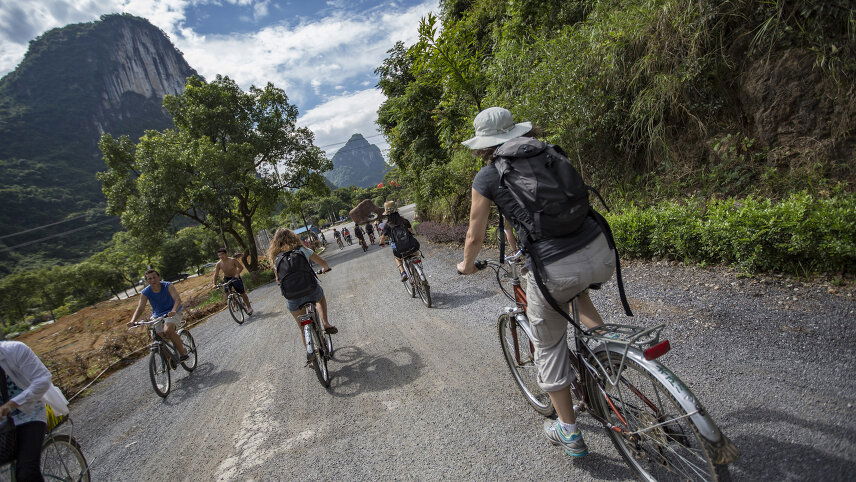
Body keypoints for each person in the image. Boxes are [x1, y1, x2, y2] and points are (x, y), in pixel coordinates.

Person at [456, 107, 618, 458]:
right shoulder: (550, 152)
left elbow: (474, 232)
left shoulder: (488, 176)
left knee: (548, 345)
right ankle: (615, 361)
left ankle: (569, 432)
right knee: (580, 300)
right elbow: (536, 210)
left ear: (484, 143)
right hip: (600, 249)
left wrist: (466, 266)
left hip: (555, 267)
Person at [0, 341, 69, 481]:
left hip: (29, 414)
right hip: (2, 423)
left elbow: (43, 379)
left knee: (26, 472)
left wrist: (12, 404)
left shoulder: (15, 350)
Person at [267, 229, 337, 359]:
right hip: (310, 289)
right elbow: (324, 263)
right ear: (293, 237)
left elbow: (278, 279)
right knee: (320, 298)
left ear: (275, 242)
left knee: (302, 327)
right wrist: (325, 269)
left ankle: (310, 354)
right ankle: (326, 323)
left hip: (292, 297)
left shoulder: (276, 257)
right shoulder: (302, 250)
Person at [128, 269, 189, 361]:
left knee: (168, 330)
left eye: (154, 277)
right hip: (157, 316)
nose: (152, 280)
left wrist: (173, 310)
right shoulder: (145, 292)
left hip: (173, 312)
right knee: (157, 337)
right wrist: (133, 321)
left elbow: (177, 300)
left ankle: (183, 352)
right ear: (147, 281)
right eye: (149, 279)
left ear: (159, 277)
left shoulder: (168, 285)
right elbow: (140, 308)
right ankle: (170, 359)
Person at [379, 201, 420, 281]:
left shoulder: (387, 225)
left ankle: (403, 272)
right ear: (396, 211)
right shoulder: (404, 221)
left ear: (387, 214)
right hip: (412, 246)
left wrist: (381, 243)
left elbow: (382, 238)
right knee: (415, 253)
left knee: (397, 258)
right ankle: (417, 268)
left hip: (399, 250)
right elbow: (411, 231)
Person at [212, 248, 254, 316]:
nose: (221, 256)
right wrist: (214, 284)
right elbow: (216, 274)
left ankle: (249, 307)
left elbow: (241, 267)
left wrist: (237, 274)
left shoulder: (232, 260)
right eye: (219, 255)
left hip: (235, 277)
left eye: (222, 254)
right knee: (227, 291)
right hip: (226, 278)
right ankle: (233, 301)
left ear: (226, 254)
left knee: (242, 293)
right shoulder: (219, 264)